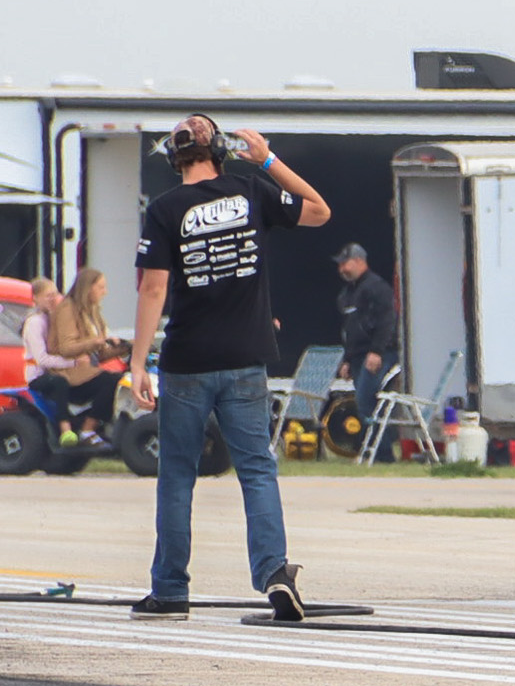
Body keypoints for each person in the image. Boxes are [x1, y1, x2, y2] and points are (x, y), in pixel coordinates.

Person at [128, 115, 331, 622]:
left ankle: (170, 591)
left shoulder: (164, 209)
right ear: (220, 149)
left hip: (188, 361)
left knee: (177, 476)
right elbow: (320, 211)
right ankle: (274, 574)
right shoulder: (251, 189)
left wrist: (138, 363)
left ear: (174, 157)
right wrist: (267, 159)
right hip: (246, 359)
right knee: (257, 469)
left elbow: (152, 289)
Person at [49, 268, 128, 448]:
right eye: (101, 287)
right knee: (111, 381)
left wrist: (124, 347)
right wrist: (98, 341)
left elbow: (99, 354)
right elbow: (66, 347)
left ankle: (106, 427)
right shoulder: (67, 308)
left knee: (123, 379)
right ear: (88, 288)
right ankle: (87, 430)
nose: (104, 292)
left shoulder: (93, 312)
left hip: (88, 369)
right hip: (68, 372)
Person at [333, 242, 397, 437]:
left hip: (378, 354)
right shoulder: (347, 294)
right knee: (363, 403)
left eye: (346, 263)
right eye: (340, 265)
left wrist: (377, 351)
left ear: (360, 261)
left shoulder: (377, 287)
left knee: (366, 399)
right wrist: (347, 359)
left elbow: (387, 321)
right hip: (358, 357)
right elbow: (349, 330)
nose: (342, 269)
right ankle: (372, 448)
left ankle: (382, 451)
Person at [20, 277, 82, 445]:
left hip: (56, 370)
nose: (53, 299)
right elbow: (42, 359)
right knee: (59, 383)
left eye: (55, 294)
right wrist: (72, 363)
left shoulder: (54, 319)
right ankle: (65, 430)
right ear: (35, 298)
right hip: (39, 377)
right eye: (48, 296)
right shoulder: (34, 323)